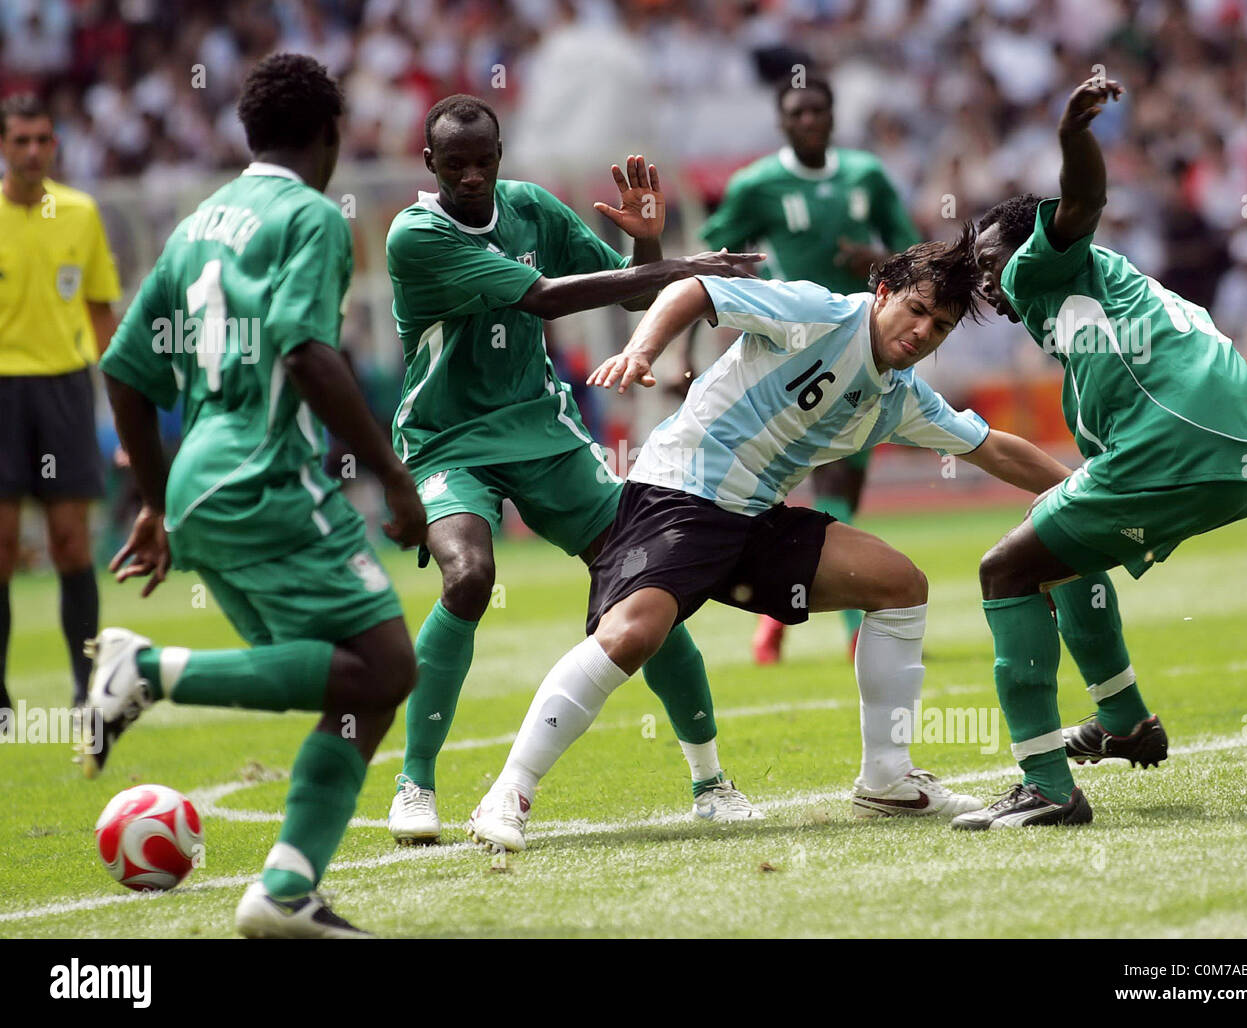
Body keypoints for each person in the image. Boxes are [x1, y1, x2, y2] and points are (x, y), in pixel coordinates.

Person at [467, 229, 1079, 851]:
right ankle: (508, 792)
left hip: (756, 517)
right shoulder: (820, 314)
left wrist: (1092, 493)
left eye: (941, 327)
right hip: (679, 493)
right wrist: (644, 349)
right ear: (883, 293)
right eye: (916, 310)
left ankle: (887, 779)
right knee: (630, 637)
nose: (922, 332)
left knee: (899, 585)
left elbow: (993, 448)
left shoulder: (899, 397)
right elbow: (694, 288)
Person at [85, 54, 427, 937]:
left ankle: (284, 890)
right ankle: (144, 671)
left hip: (202, 482)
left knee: (357, 685)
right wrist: (392, 474)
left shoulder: (198, 222)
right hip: (263, 477)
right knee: (387, 667)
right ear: (330, 135)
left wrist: (157, 502)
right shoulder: (309, 216)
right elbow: (306, 352)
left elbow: (125, 365)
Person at [384, 95, 766, 845]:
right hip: (447, 437)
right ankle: (415, 784)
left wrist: (653, 249)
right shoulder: (415, 235)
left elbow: (637, 291)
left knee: (650, 580)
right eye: (453, 163)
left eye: (483, 160)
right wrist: (688, 263)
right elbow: (546, 298)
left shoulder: (529, 208)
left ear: (500, 155)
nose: (470, 176)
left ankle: (711, 779)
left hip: (543, 431)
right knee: (467, 579)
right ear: (429, 164)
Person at [964, 77, 1247, 829]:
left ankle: (1045, 786)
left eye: (990, 258)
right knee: (1060, 541)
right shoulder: (1106, 302)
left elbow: (1077, 203)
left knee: (1004, 570)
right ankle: (1124, 721)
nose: (988, 276)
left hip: (1185, 441)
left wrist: (1073, 135)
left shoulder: (1039, 265)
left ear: (1027, 246)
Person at [697, 75, 923, 665]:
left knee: (840, 488)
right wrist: (762, 293)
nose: (808, 121)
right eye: (797, 112)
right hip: (789, 354)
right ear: (782, 121)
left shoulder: (865, 177)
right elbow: (713, 255)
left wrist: (878, 262)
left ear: (832, 115)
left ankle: (777, 618)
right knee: (805, 483)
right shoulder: (757, 184)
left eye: (818, 111)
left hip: (865, 351)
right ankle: (852, 628)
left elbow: (912, 251)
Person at [0, 94, 120, 711]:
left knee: (71, 542)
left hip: (65, 387)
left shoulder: (79, 213)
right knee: (1, 546)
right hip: (2, 390)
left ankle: (87, 690)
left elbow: (102, 316)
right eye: (19, 140)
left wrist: (127, 416)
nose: (31, 152)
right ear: (3, 147)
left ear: (55, 146)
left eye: (42, 140)